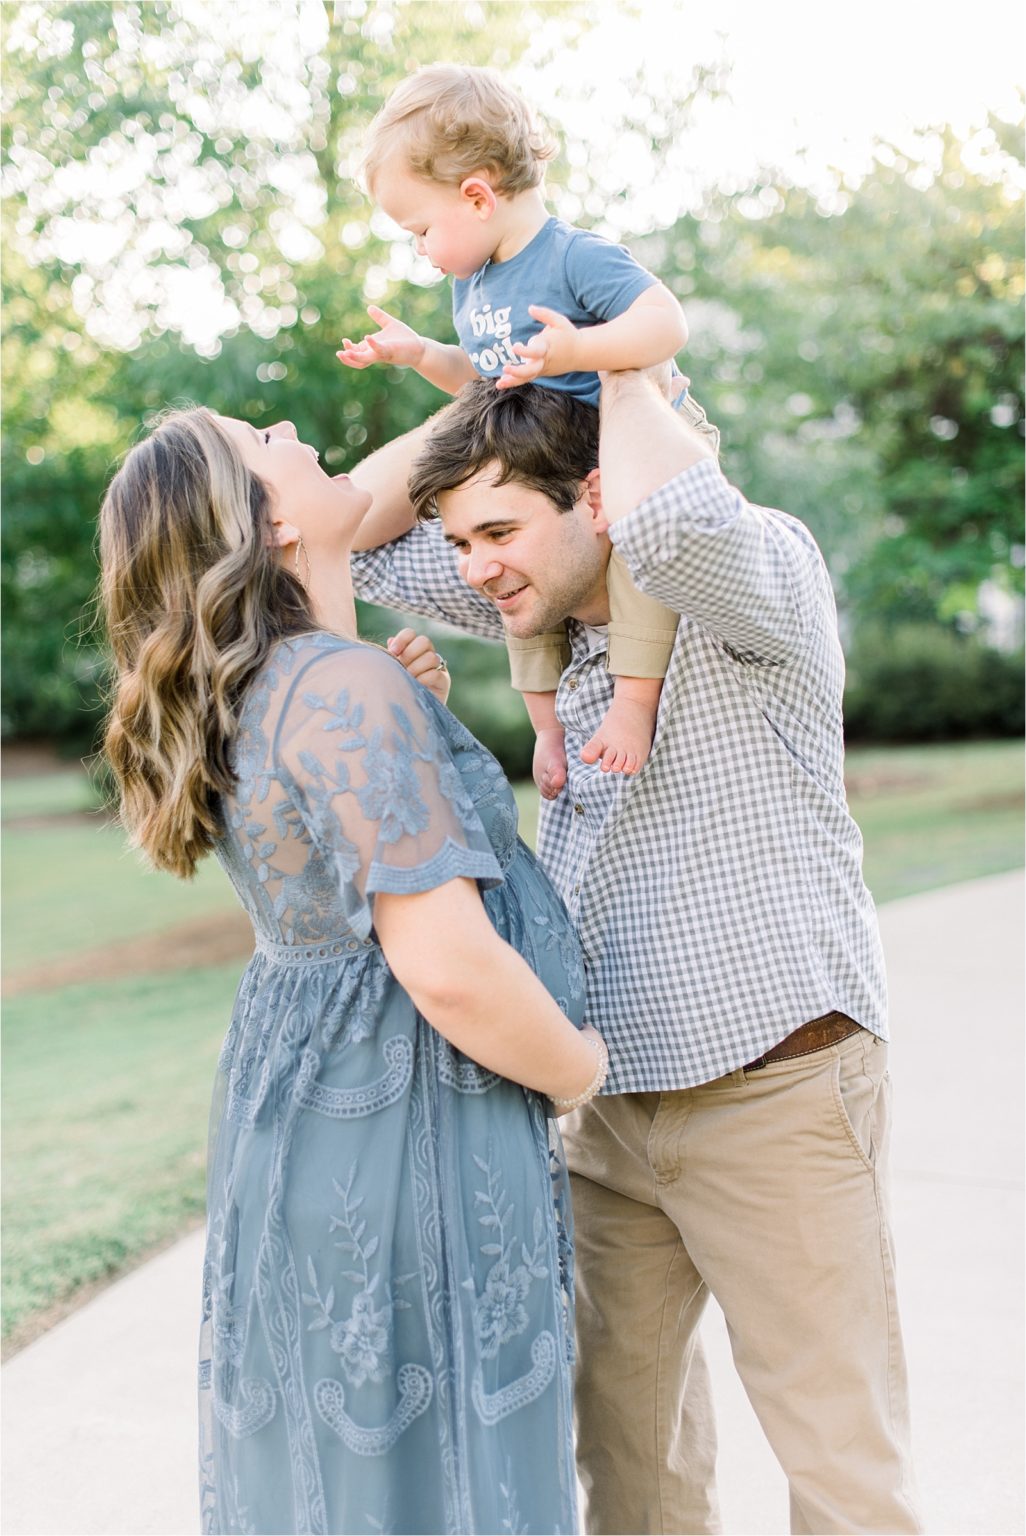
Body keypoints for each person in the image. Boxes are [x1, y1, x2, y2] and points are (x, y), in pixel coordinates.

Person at [349, 375, 923, 1535]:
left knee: (842, 1471)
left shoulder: (749, 585)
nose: (474, 568)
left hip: (775, 1089)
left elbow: (678, 519)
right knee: (631, 1470)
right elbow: (353, 534)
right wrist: (486, 375)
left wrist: (616, 358)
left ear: (599, 496)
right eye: (461, 542)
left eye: (500, 532)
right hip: (611, 1112)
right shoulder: (544, 616)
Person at [98, 406, 609, 1536]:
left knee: (359, 1482)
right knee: (444, 1477)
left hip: (306, 1118)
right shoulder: (340, 691)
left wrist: (404, 702)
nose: (293, 426)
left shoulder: (275, 685)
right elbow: (447, 967)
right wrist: (577, 1068)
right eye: (263, 437)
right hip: (407, 1119)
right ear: (269, 520)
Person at [338, 62, 705, 800]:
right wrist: (422, 355)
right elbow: (486, 382)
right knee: (526, 599)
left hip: (635, 456)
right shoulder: (474, 285)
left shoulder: (574, 256)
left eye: (421, 230)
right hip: (550, 469)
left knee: (640, 557)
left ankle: (635, 704)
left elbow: (666, 325)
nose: (421, 249)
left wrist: (579, 350)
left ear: (477, 196)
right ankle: (547, 727)